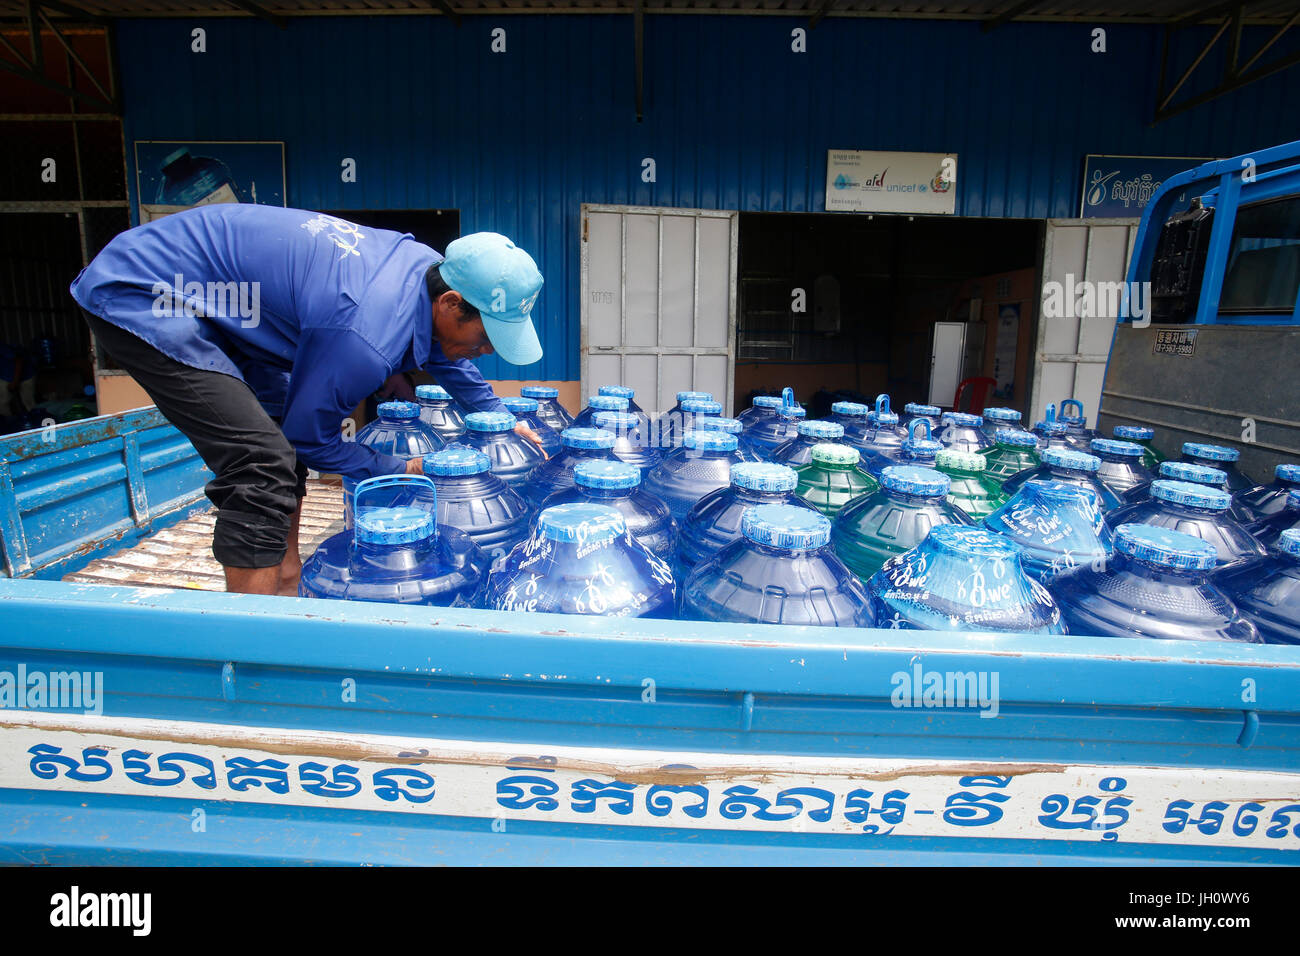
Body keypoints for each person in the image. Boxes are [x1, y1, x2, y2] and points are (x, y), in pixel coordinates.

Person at [70, 204, 546, 596]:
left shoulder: (428, 271)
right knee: (261, 463)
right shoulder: (364, 334)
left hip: (228, 306)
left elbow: (447, 349)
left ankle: (286, 583)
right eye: (485, 339)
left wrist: (497, 416)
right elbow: (311, 440)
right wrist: (403, 469)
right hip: (148, 291)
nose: (485, 353)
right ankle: (249, 642)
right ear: (451, 302)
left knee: (280, 447)